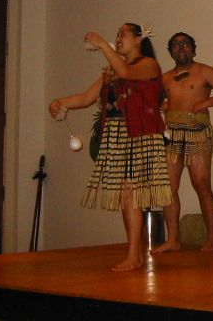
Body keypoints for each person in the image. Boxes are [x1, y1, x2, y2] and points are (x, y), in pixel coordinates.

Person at [48, 23, 171, 272]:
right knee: (128, 195)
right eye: (116, 35)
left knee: (131, 193)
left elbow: (125, 72)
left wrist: (103, 44)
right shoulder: (111, 72)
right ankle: (134, 255)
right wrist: (60, 103)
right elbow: (86, 97)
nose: (117, 38)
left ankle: (133, 255)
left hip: (140, 134)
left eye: (122, 34)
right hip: (117, 135)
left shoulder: (148, 65)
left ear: (139, 38)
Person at [152, 32, 213, 253]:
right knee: (167, 188)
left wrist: (204, 103)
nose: (181, 48)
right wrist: (162, 106)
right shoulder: (164, 78)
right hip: (172, 135)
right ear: (170, 51)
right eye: (176, 45)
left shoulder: (204, 71)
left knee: (201, 184)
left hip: (197, 132)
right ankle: (173, 240)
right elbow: (157, 103)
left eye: (186, 44)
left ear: (193, 48)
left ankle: (211, 239)